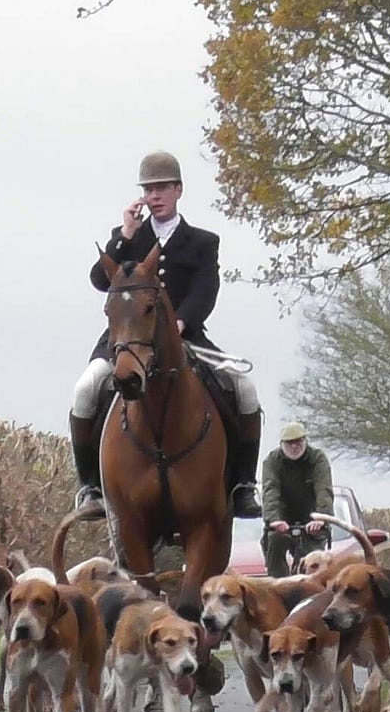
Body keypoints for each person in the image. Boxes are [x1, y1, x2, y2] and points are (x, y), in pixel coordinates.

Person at [69, 150, 263, 518]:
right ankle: (90, 488)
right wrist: (125, 233)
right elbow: (100, 280)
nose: (154, 196)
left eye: (161, 188)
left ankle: (242, 485)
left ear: (178, 190)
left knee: (244, 389)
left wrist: (182, 322)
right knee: (85, 389)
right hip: (129, 339)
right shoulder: (129, 239)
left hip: (184, 337)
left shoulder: (202, 242)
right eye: (148, 189)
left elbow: (205, 289)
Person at [261, 421, 334, 577]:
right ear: (282, 444)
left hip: (311, 516)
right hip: (282, 517)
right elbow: (270, 490)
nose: (294, 446)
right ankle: (278, 584)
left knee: (314, 564)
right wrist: (274, 519)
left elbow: (324, 490)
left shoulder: (317, 458)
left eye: (298, 442)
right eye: (289, 443)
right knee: (275, 540)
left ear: (305, 441)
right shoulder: (272, 460)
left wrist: (321, 518)